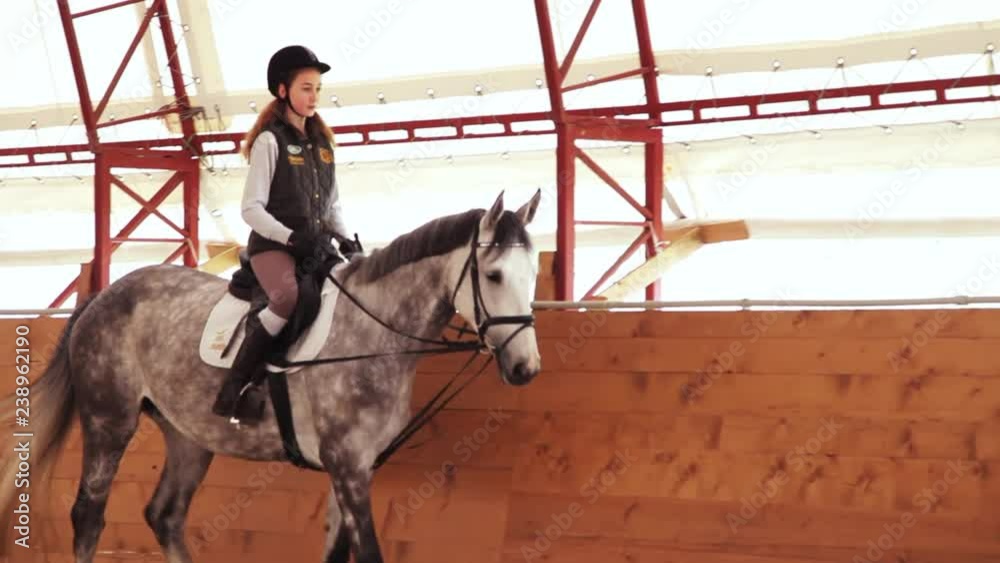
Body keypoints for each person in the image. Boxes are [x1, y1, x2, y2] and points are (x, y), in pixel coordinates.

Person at [212, 45, 358, 419]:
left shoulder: (324, 144)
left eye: (318, 89)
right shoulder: (268, 141)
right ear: (283, 91)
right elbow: (250, 210)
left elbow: (333, 205)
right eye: (306, 88)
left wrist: (350, 241)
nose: (314, 97)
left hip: (317, 246)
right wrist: (291, 238)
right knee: (287, 298)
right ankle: (237, 388)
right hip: (272, 248)